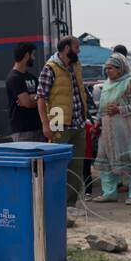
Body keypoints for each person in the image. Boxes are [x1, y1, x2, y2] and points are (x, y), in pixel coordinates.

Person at [36, 35, 89, 206]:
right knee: (57, 167)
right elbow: (41, 98)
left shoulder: (76, 66)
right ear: (67, 49)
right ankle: (55, 203)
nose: (79, 50)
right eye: (76, 47)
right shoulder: (50, 69)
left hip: (78, 124)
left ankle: (70, 204)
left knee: (76, 168)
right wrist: (45, 124)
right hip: (58, 123)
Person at [92, 54, 131, 204]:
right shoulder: (107, 84)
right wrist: (97, 122)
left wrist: (120, 109)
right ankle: (109, 192)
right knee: (105, 161)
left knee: (130, 160)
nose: (107, 71)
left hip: (125, 129)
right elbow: (102, 107)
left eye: (111, 68)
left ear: (120, 69)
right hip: (107, 130)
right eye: (106, 68)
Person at [5, 42, 43, 142]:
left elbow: (43, 98)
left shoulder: (33, 78)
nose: (33, 58)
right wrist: (37, 98)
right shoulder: (14, 78)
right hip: (22, 131)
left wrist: (32, 97)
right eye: (33, 55)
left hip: (38, 128)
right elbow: (28, 103)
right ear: (26, 55)